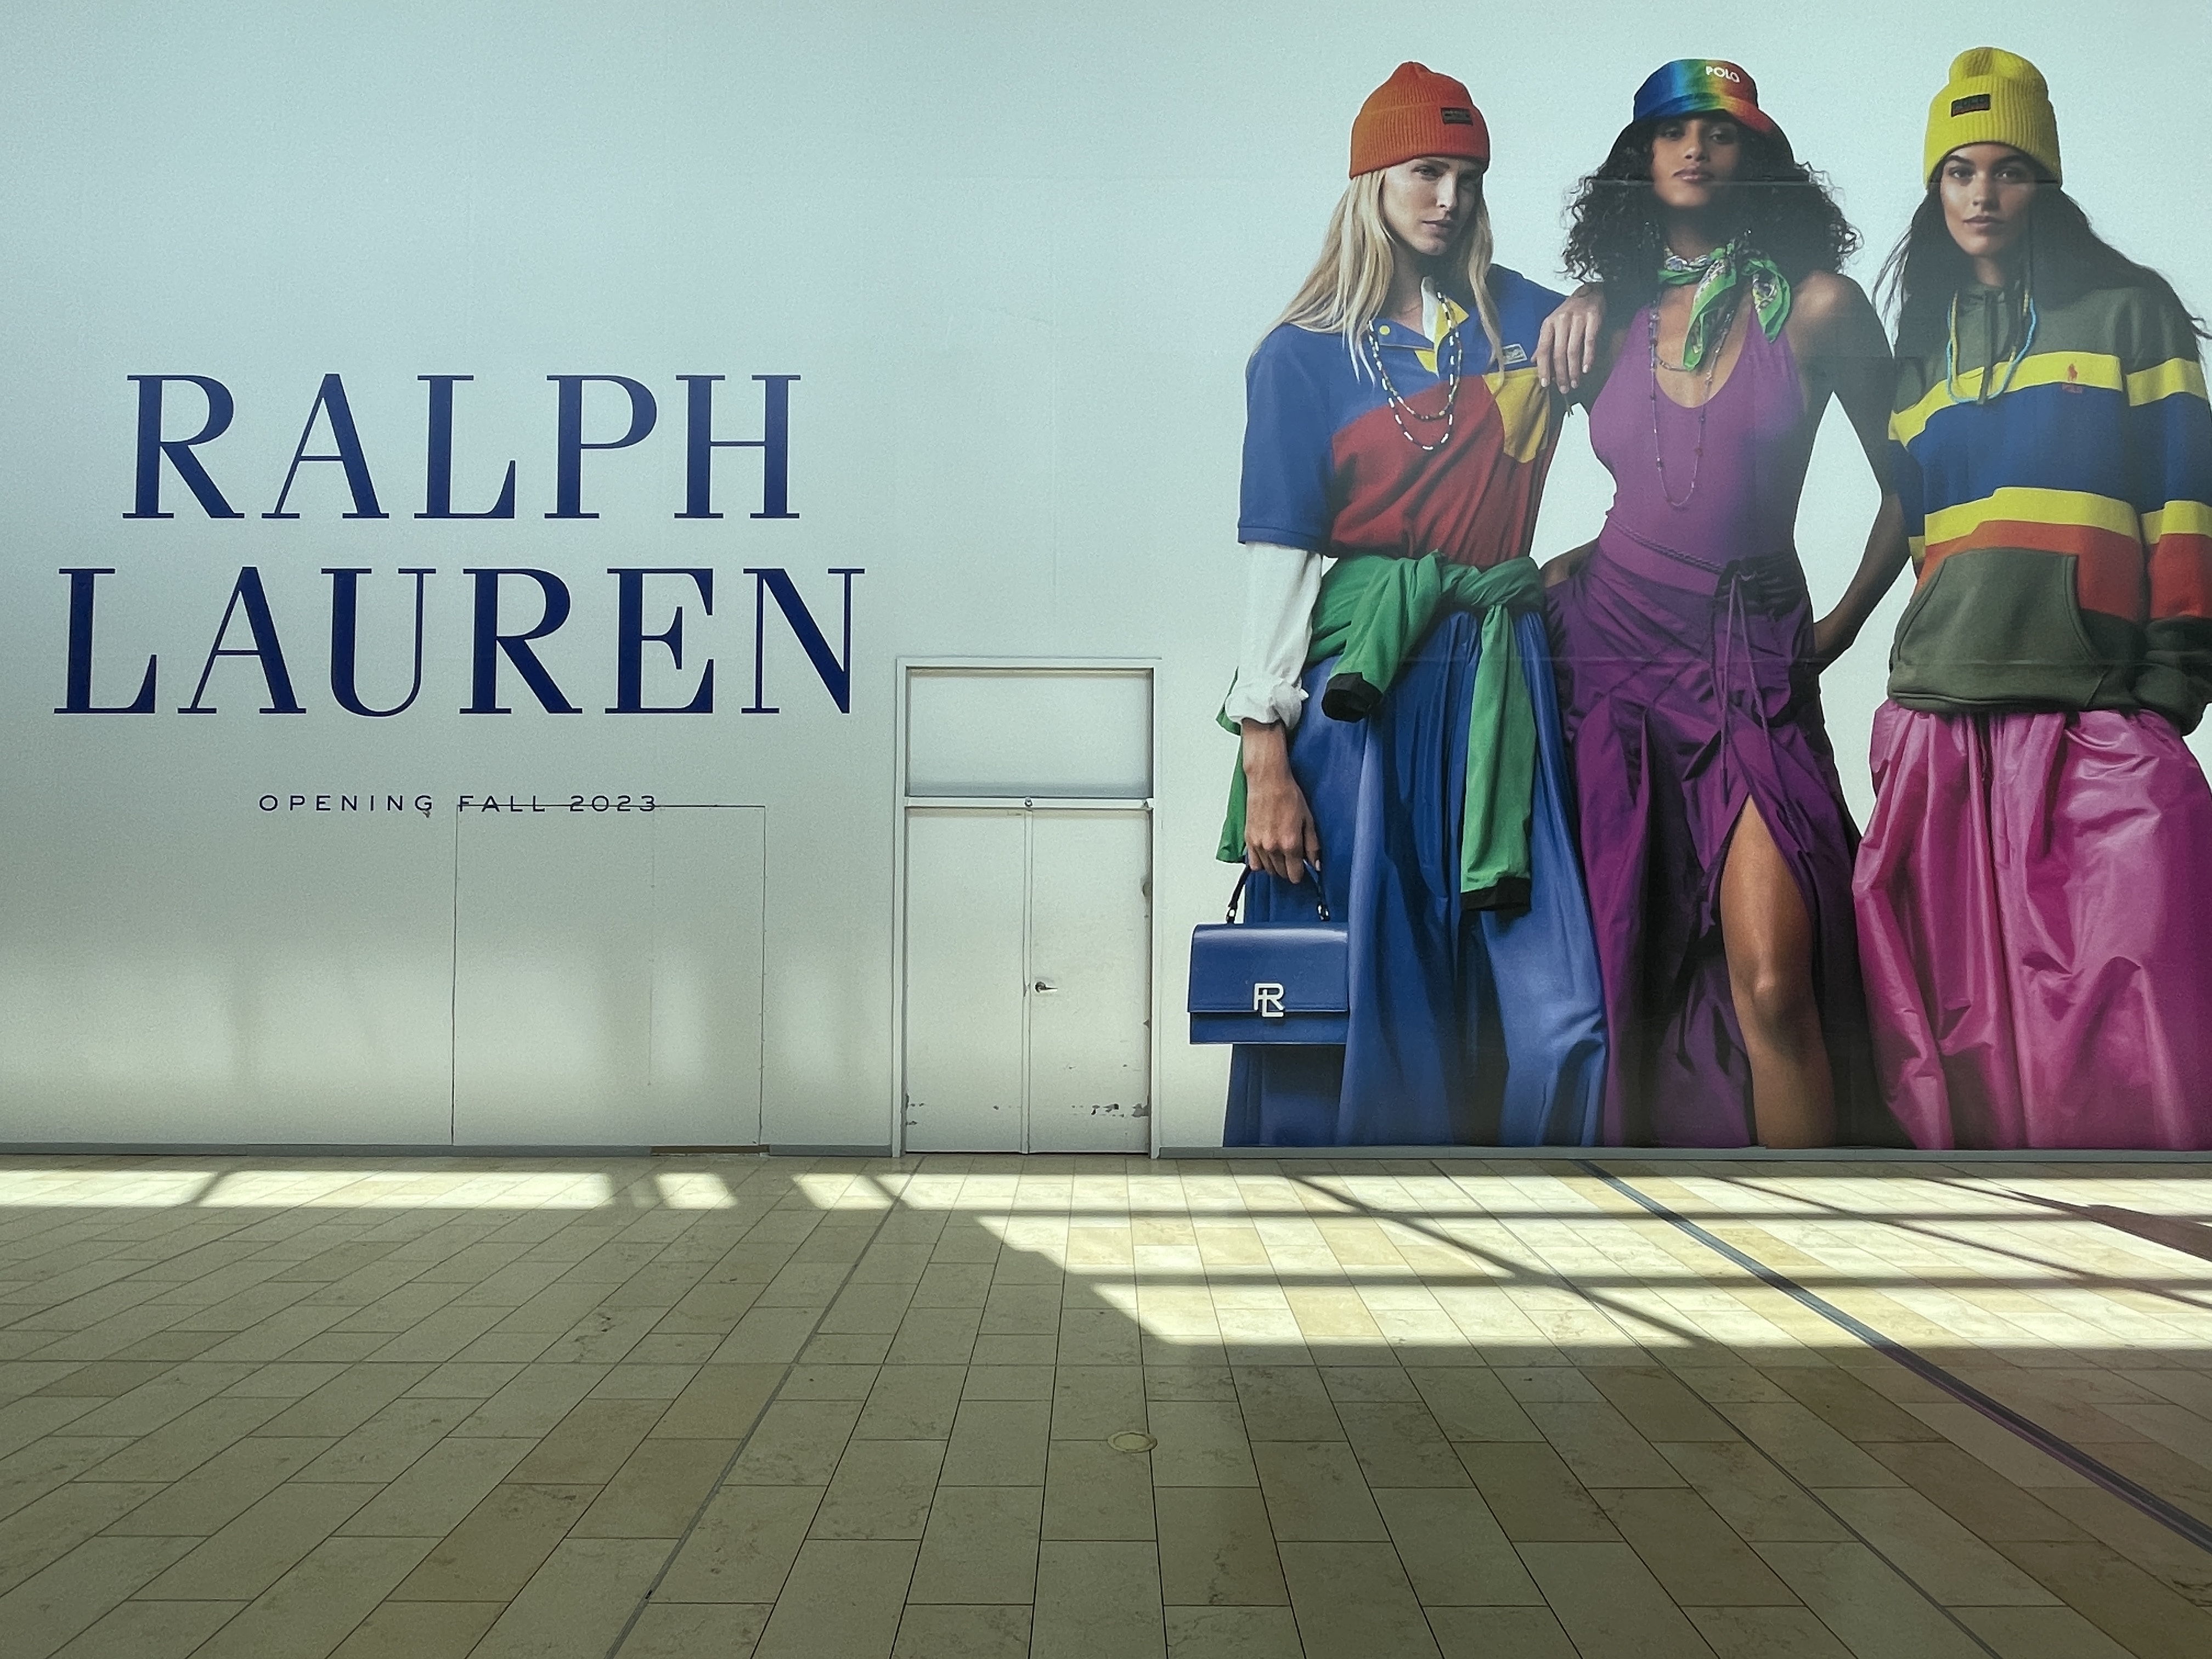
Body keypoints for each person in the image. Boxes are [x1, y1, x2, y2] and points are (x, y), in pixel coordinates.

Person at [1218, 62, 1606, 1147]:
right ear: (1372, 183)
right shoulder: (1297, 360)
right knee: (1371, 1021)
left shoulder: (1528, 321)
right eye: (1426, 171)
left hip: (1498, 683)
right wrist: (1265, 766)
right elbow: (1279, 568)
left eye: (1468, 177)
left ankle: (1542, 1242)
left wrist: (1602, 295)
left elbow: (1663, 380)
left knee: (1563, 1018)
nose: (1450, 198)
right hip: (1361, 696)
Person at [1832, 49, 2212, 1150]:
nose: (1983, 195)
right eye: (1958, 172)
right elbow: (1917, 520)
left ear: (2045, 183)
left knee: (2134, 1002)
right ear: (1934, 188)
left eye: (2007, 170)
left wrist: (2169, 689)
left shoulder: (2130, 313)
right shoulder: (1924, 355)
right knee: (1966, 1048)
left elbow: (2186, 502)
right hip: (1945, 720)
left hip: (2095, 706)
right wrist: (1852, 627)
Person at [1542, 60, 1897, 1148]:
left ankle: (1817, 1262)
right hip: (1613, 662)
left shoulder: (1821, 313)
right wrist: (1547, 575)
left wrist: (1833, 632)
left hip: (1749, 668)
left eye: (1724, 135)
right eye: (1670, 133)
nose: (1695, 149)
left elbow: (1918, 495)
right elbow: (1485, 466)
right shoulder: (1599, 321)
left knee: (1775, 981)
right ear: (1638, 166)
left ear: (1762, 164)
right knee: (1625, 975)